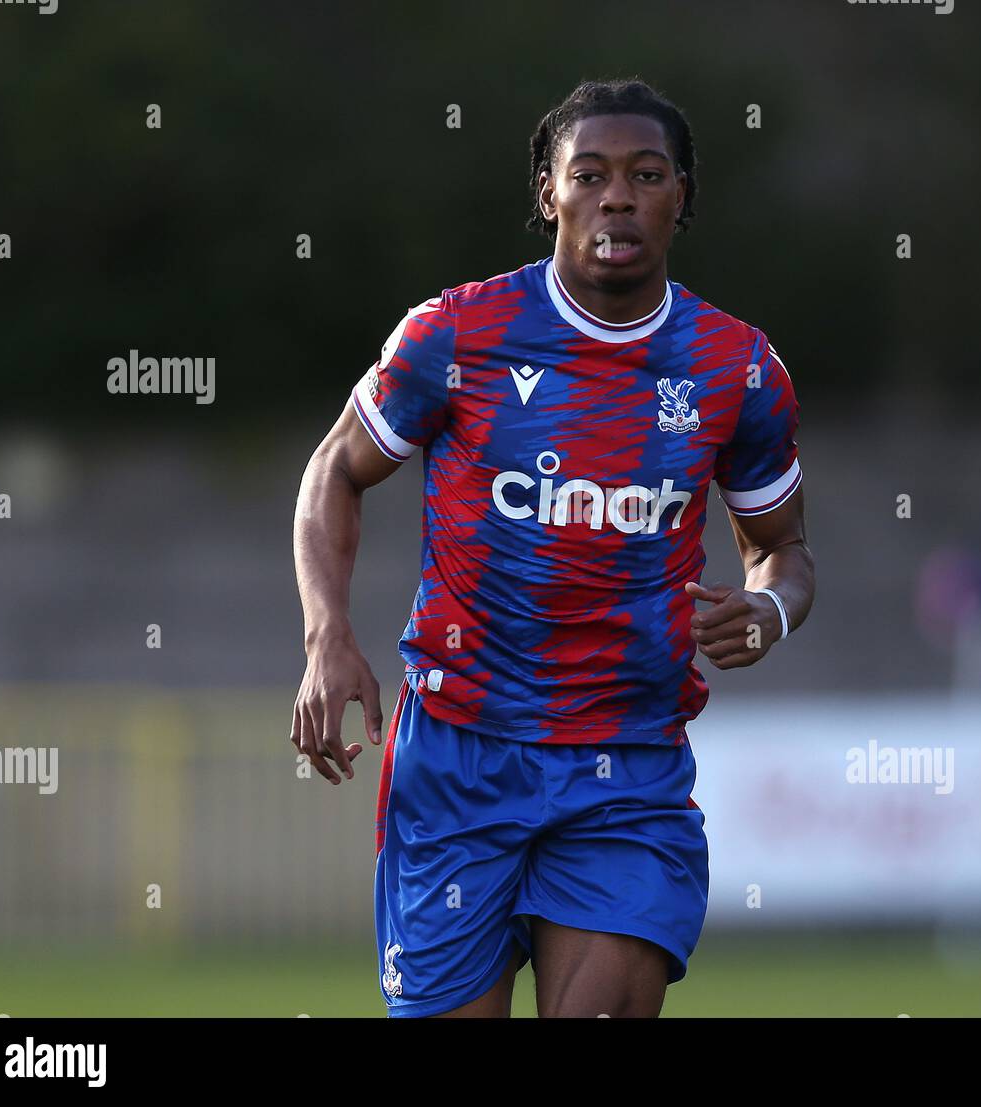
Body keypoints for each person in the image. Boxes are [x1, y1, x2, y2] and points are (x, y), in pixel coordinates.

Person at [291, 78, 814, 1018]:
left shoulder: (735, 368)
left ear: (681, 197)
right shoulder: (457, 335)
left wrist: (768, 607)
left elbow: (784, 550)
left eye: (647, 175)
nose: (618, 196)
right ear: (549, 193)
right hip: (461, 755)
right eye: (592, 174)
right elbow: (334, 469)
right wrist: (327, 635)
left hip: (629, 764)